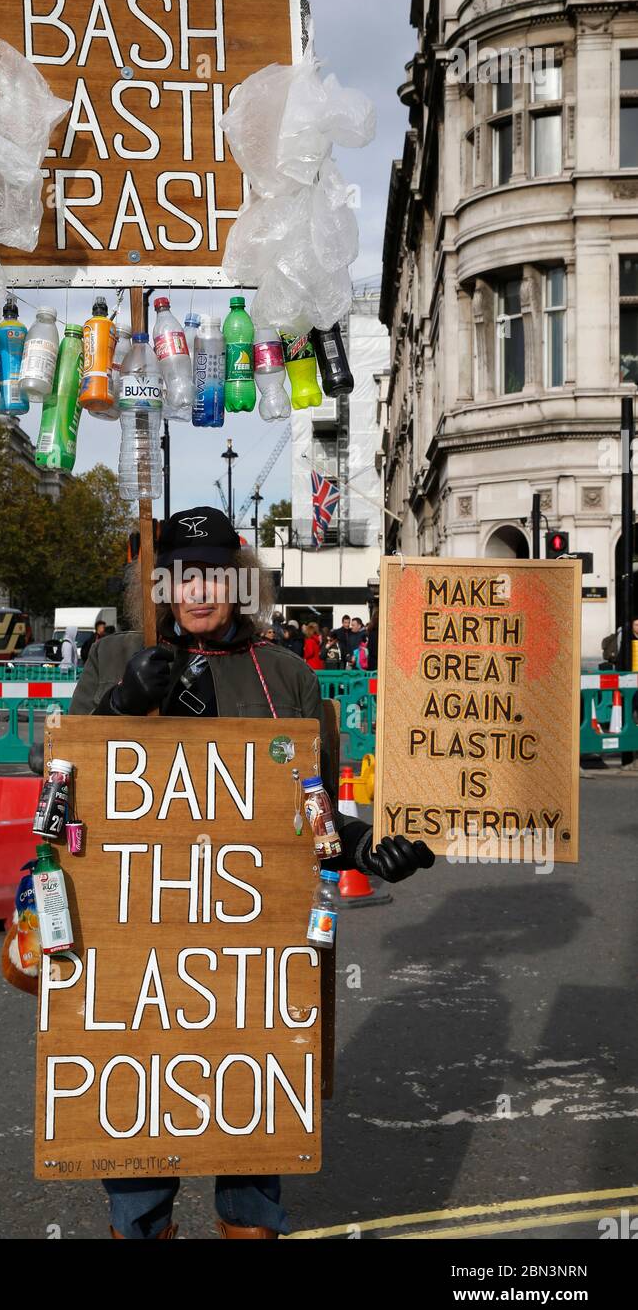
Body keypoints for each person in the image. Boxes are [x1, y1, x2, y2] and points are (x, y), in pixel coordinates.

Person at [68, 506, 434, 1240]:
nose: (197, 593)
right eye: (180, 577)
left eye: (214, 576)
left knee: (252, 1154)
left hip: (251, 956)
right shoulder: (114, 660)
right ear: (159, 585)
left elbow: (315, 817)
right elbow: (60, 799)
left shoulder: (287, 675)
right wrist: (121, 706)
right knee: (138, 1175)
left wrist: (365, 846)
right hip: (136, 952)